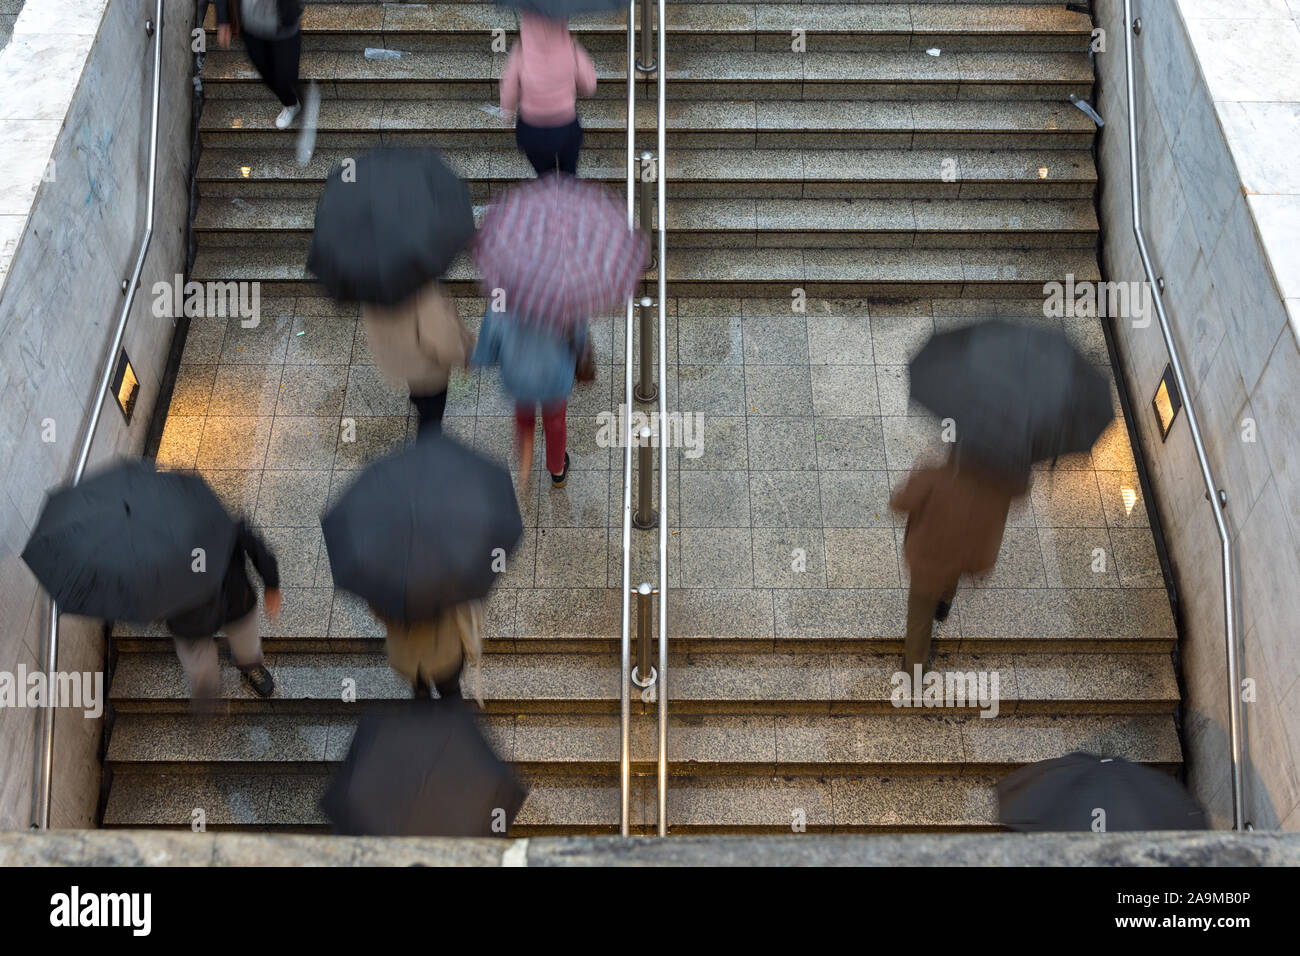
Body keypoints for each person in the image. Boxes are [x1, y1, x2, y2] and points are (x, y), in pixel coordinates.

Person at [889, 450, 1029, 678]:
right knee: (950, 575)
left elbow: (900, 503)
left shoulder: (935, 476)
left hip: (928, 558)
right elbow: (1004, 512)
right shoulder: (995, 488)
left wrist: (914, 480)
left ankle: (914, 671)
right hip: (962, 557)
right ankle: (943, 605)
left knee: (919, 617)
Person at [164, 520, 281, 702]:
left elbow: (252, 543)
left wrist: (271, 582)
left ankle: (250, 666)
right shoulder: (155, 541)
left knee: (246, 645)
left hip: (233, 601)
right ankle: (206, 686)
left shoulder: (218, 520)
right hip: (186, 613)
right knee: (197, 658)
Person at [472, 308, 585, 488]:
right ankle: (557, 470)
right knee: (555, 421)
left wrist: (486, 355)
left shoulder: (505, 283)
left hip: (519, 367)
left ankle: (525, 463)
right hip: (553, 370)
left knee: (524, 416)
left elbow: (493, 318)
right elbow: (577, 325)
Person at [361, 281, 474, 435]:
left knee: (417, 389)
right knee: (431, 417)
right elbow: (443, 338)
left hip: (400, 356)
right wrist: (463, 353)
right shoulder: (423, 291)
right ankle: (427, 450)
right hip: (427, 369)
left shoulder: (371, 286)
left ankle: (417, 399)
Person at [500, 12, 597, 176]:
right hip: (565, 126)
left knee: (545, 177)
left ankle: (550, 197)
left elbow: (509, 89)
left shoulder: (520, 50)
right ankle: (568, 196)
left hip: (532, 128)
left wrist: (507, 116)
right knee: (569, 173)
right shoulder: (571, 48)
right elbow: (589, 86)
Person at [214, 0, 306, 130]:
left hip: (283, 26)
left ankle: (298, 98)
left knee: (285, 75)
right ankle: (291, 103)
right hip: (251, 26)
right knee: (266, 73)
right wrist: (223, 19)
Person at [373, 602, 483, 703]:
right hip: (445, 648)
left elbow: (379, 609)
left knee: (422, 698)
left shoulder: (396, 585)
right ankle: (454, 722)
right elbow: (465, 606)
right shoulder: (444, 583)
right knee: (450, 695)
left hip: (410, 652)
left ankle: (424, 721)